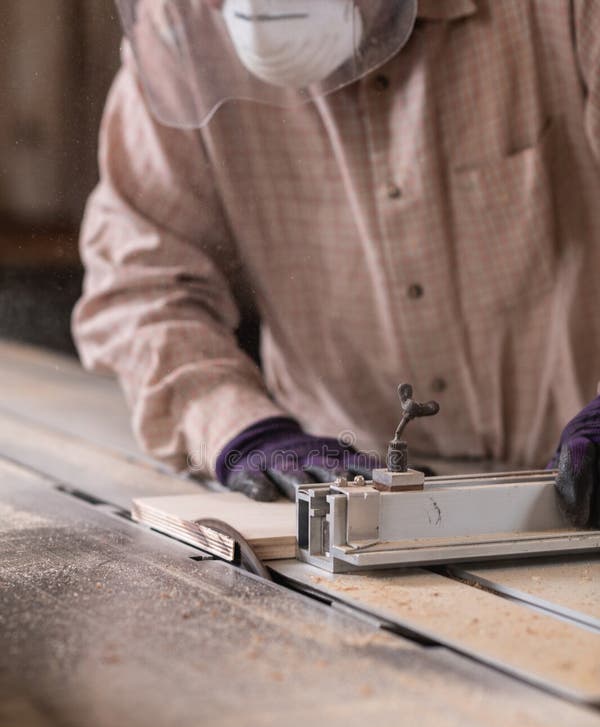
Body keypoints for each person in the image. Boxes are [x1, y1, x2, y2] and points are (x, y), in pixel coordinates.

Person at [73, 0, 600, 526]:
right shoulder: (183, 26)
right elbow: (138, 281)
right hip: (341, 497)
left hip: (576, 496)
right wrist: (238, 424)